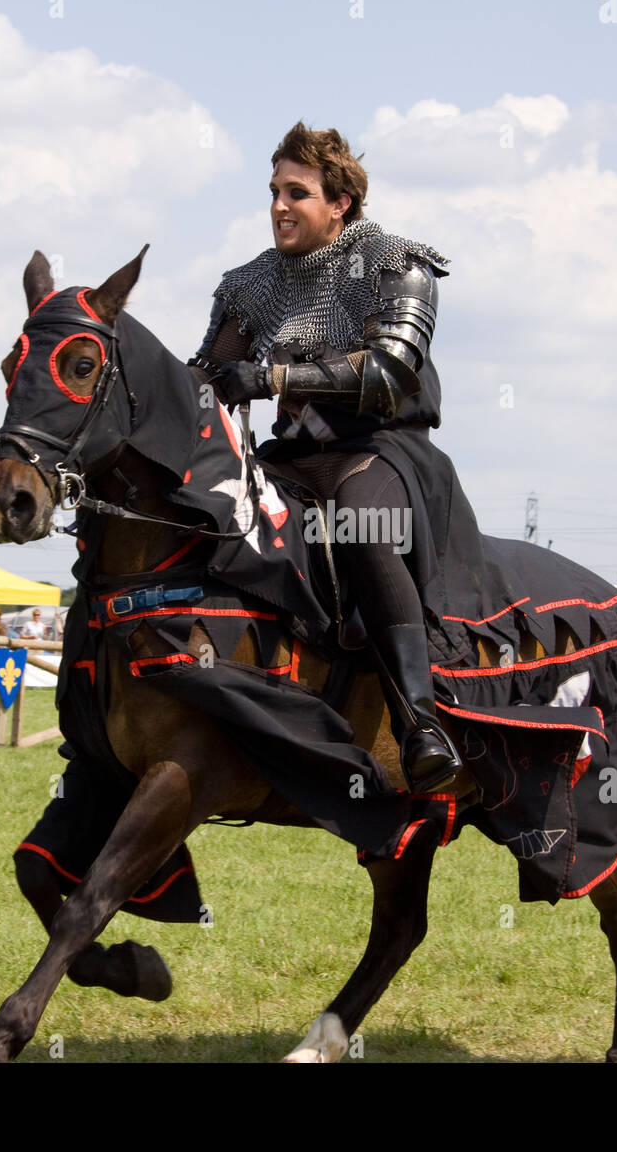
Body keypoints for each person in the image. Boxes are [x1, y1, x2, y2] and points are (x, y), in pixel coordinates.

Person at [188, 122, 466, 790]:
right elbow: (206, 375)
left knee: (360, 524)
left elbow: (389, 372)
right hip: (293, 458)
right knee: (207, 516)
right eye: (275, 191)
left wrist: (274, 379)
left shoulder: (397, 262)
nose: (280, 205)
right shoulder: (250, 283)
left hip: (381, 453)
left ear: (340, 202)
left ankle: (420, 724)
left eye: (298, 192)